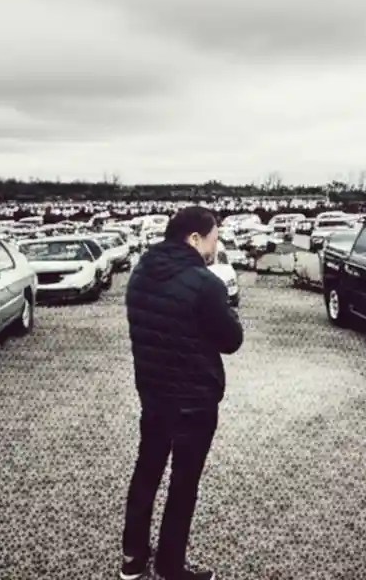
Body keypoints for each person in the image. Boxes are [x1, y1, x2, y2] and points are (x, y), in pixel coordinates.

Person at [119, 206, 244, 580]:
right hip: (194, 402)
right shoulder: (206, 284)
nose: (216, 245)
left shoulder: (141, 272)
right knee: (183, 485)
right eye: (214, 237)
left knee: (146, 471)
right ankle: (170, 567)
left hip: (153, 394)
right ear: (194, 238)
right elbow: (232, 340)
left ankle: (133, 557)